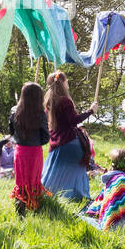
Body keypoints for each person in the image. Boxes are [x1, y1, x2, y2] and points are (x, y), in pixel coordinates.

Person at [41, 71, 96, 202]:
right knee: (77, 171)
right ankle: (78, 196)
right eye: (67, 81)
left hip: (55, 141)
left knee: (53, 170)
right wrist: (91, 111)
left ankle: (49, 195)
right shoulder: (65, 101)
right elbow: (73, 121)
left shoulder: (49, 101)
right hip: (69, 141)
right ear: (63, 82)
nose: (68, 83)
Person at [9, 82, 49, 214]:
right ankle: (34, 204)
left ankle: (20, 203)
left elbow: (10, 131)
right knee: (33, 178)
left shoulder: (14, 111)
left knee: (20, 179)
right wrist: (37, 141)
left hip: (20, 150)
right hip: (34, 150)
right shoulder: (40, 113)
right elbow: (46, 136)